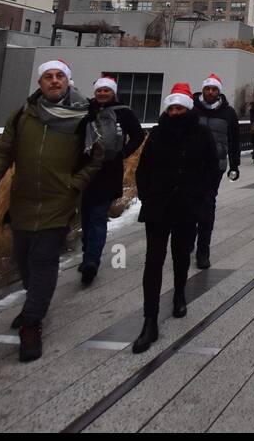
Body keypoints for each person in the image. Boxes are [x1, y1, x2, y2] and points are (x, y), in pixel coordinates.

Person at [0, 60, 105, 363]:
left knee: (44, 258)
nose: (54, 81)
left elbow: (97, 156)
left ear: (69, 81)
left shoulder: (84, 115)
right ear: (40, 83)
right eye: (48, 76)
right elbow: (3, 150)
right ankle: (34, 302)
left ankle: (32, 321)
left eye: (60, 76)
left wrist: (74, 185)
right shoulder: (23, 115)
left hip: (58, 200)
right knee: (22, 256)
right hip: (22, 198)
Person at [132, 83, 219, 353]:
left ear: (188, 108)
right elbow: (143, 169)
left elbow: (211, 168)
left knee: (181, 255)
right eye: (171, 108)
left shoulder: (202, 134)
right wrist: (148, 196)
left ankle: (180, 293)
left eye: (180, 107)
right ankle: (150, 319)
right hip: (158, 206)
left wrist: (199, 196)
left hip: (186, 206)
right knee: (153, 261)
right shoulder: (158, 134)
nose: (175, 112)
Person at [78, 76, 144, 286]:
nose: (103, 94)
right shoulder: (85, 110)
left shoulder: (123, 112)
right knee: (86, 215)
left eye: (107, 90)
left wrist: (122, 153)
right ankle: (88, 251)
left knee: (98, 215)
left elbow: (138, 135)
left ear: (113, 92)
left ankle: (91, 260)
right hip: (84, 169)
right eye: (100, 91)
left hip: (109, 169)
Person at [192, 73, 240, 269]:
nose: (210, 92)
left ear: (219, 91)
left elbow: (234, 140)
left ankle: (203, 250)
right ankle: (188, 237)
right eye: (207, 89)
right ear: (203, 90)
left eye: (214, 89)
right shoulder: (192, 109)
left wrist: (235, 165)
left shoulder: (228, 113)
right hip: (192, 165)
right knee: (189, 204)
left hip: (215, 167)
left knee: (207, 206)